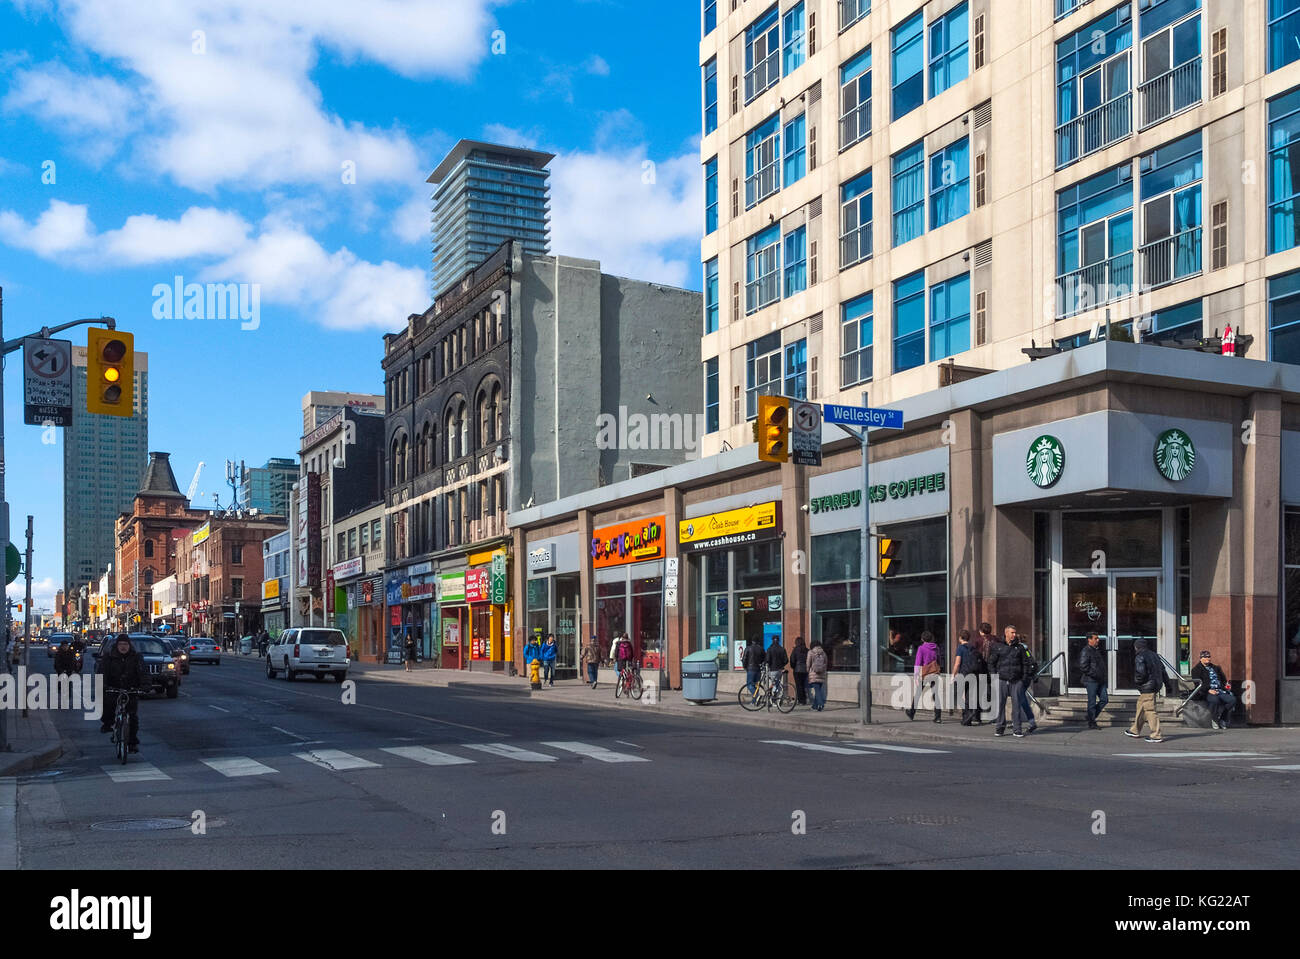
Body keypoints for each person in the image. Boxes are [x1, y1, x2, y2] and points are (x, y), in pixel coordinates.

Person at [97, 633, 146, 753]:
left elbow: (143, 672)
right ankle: (107, 723)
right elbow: (102, 672)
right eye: (120, 644)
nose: (123, 647)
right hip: (114, 687)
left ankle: (132, 743)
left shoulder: (136, 657)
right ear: (117, 645)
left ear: (129, 645)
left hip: (131, 688)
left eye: (125, 644)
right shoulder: (109, 657)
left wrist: (145, 686)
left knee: (133, 717)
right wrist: (103, 685)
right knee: (107, 703)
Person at [986, 624, 1029, 738]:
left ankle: (1017, 729)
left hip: (1016, 680)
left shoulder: (1020, 648)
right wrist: (994, 676)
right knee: (1000, 705)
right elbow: (991, 662)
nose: (1014, 635)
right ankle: (1000, 728)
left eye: (1015, 633)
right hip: (1002, 679)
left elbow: (1025, 663)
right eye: (1012, 632)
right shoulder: (998, 646)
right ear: (1006, 633)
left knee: (1016, 706)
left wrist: (1024, 679)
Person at [1126, 637, 1166, 743]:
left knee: (1149, 710)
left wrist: (1138, 682)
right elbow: (1163, 670)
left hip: (1148, 686)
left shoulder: (1140, 656)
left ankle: (1156, 734)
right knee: (1141, 706)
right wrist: (1168, 684)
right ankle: (1134, 730)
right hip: (1156, 684)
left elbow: (1141, 672)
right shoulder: (1155, 655)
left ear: (1136, 647)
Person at [1191, 650, 1235, 730]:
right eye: (1206, 657)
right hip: (1206, 691)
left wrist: (1226, 685)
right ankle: (1214, 719)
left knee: (1232, 700)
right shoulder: (1196, 669)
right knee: (1214, 700)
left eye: (1209, 656)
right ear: (1201, 658)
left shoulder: (1216, 668)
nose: (1208, 658)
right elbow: (1197, 684)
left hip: (1219, 690)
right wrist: (1208, 690)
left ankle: (1222, 719)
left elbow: (1223, 680)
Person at [907, 630, 943, 723]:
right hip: (934, 672)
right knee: (936, 694)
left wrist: (916, 676)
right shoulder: (936, 647)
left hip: (925, 673)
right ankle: (938, 716)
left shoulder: (921, 648)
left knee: (918, 692)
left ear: (922, 639)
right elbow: (939, 660)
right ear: (931, 638)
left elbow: (918, 662)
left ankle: (911, 712)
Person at [1077, 633, 1108, 729]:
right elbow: (1083, 666)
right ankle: (1092, 722)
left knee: (1104, 699)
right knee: (1092, 701)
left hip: (1100, 680)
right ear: (1089, 640)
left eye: (1098, 638)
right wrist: (1095, 674)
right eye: (1095, 638)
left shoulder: (1096, 650)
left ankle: (1091, 716)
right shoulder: (1086, 651)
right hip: (1091, 680)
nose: (1098, 640)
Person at [953, 629, 983, 726]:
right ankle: (969, 717)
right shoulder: (973, 647)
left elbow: (957, 663)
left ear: (960, 638)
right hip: (973, 673)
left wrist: (953, 674)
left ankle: (967, 716)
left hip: (963, 673)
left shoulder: (960, 648)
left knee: (961, 696)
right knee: (969, 696)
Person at [806, 639, 829, 711]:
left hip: (813, 673)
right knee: (818, 689)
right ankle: (814, 706)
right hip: (822, 674)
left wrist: (807, 670)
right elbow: (826, 662)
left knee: (817, 690)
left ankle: (821, 704)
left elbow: (808, 663)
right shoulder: (823, 653)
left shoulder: (811, 652)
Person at [741, 637, 765, 703]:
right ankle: (754, 701)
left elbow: (744, 659)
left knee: (749, 685)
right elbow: (764, 659)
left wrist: (745, 667)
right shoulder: (761, 649)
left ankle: (757, 696)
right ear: (758, 641)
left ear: (752, 641)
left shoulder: (748, 648)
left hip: (751, 669)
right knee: (756, 686)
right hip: (758, 670)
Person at [789, 636, 809, 706]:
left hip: (797, 669)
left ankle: (801, 700)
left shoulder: (795, 650)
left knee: (798, 685)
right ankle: (804, 699)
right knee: (803, 685)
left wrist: (793, 666)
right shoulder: (807, 650)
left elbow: (792, 659)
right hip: (805, 670)